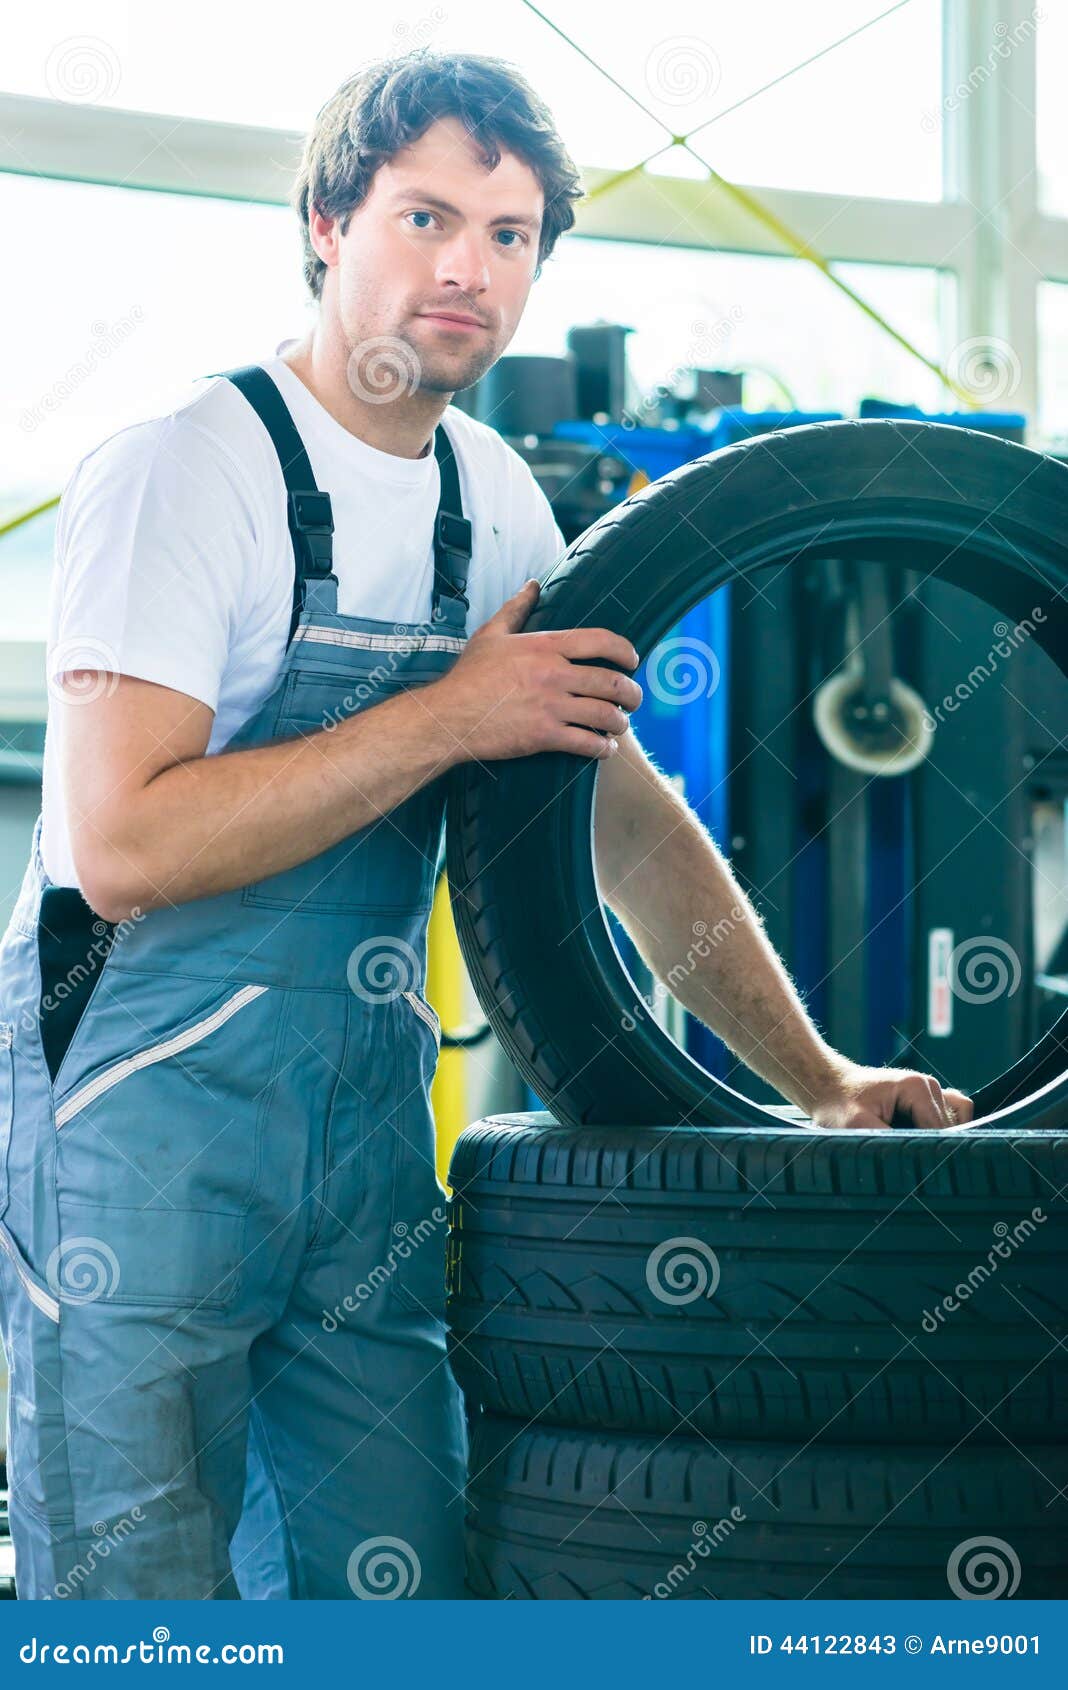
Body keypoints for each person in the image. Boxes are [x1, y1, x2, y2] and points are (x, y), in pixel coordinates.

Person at [0, 49, 973, 1601]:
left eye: (511, 235)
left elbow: (625, 826)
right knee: (140, 1597)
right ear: (329, 220)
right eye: (426, 216)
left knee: (399, 1575)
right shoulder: (190, 470)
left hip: (361, 1138)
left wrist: (821, 1079)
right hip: (134, 1127)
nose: (468, 269)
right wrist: (449, 712)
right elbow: (123, 847)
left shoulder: (495, 500)